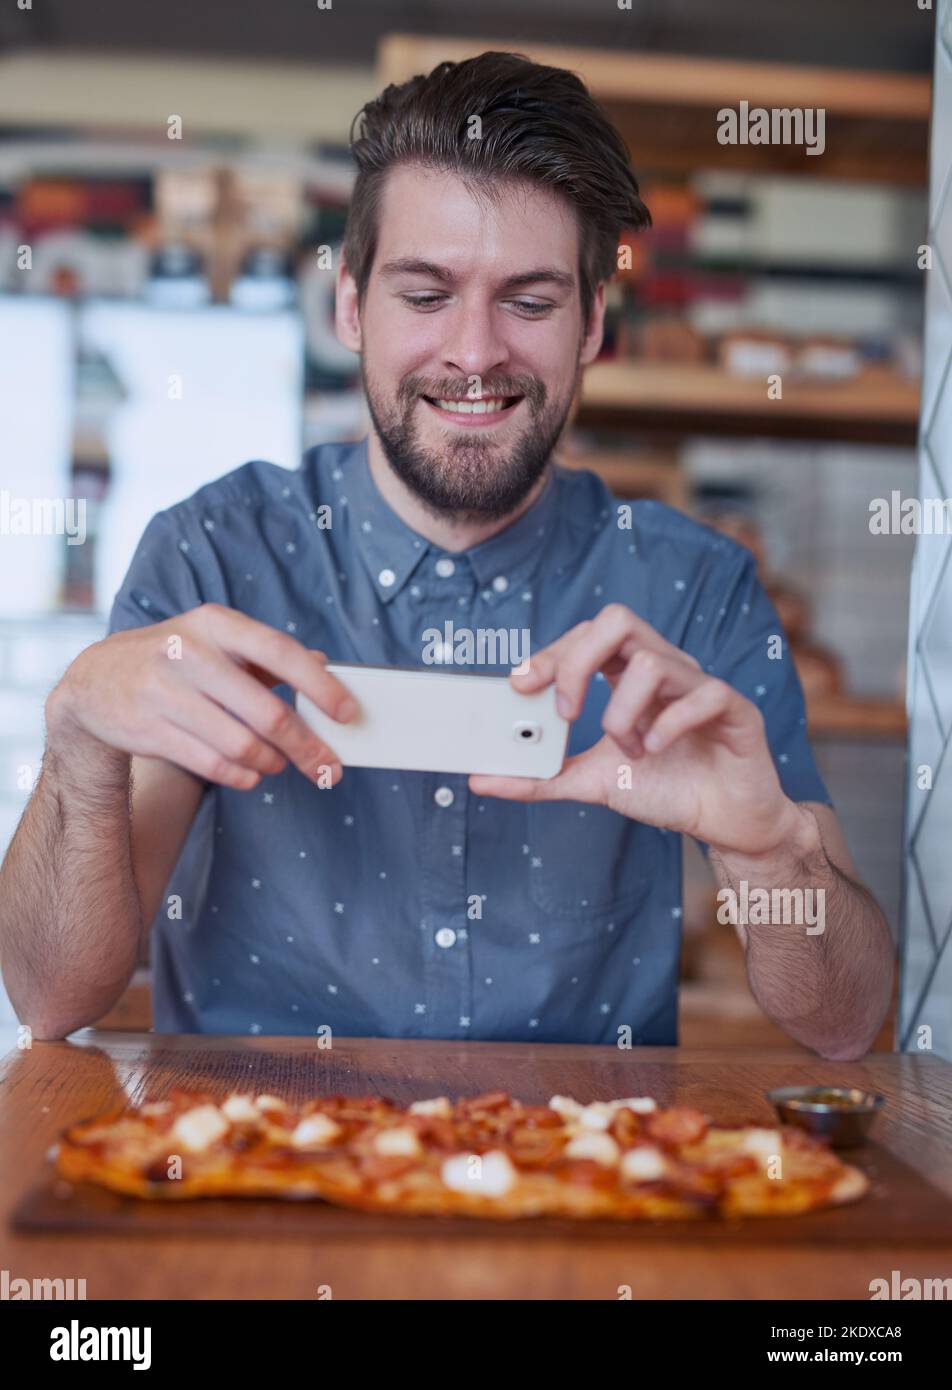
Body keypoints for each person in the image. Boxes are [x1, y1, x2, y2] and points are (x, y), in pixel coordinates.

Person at [0, 52, 893, 1055]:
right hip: (250, 1174)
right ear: (349, 307)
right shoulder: (211, 555)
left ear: (593, 321)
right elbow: (52, 996)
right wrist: (76, 741)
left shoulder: (695, 587)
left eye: (530, 299)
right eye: (425, 294)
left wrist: (773, 856)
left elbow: (848, 1022)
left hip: (588, 1178)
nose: (474, 353)